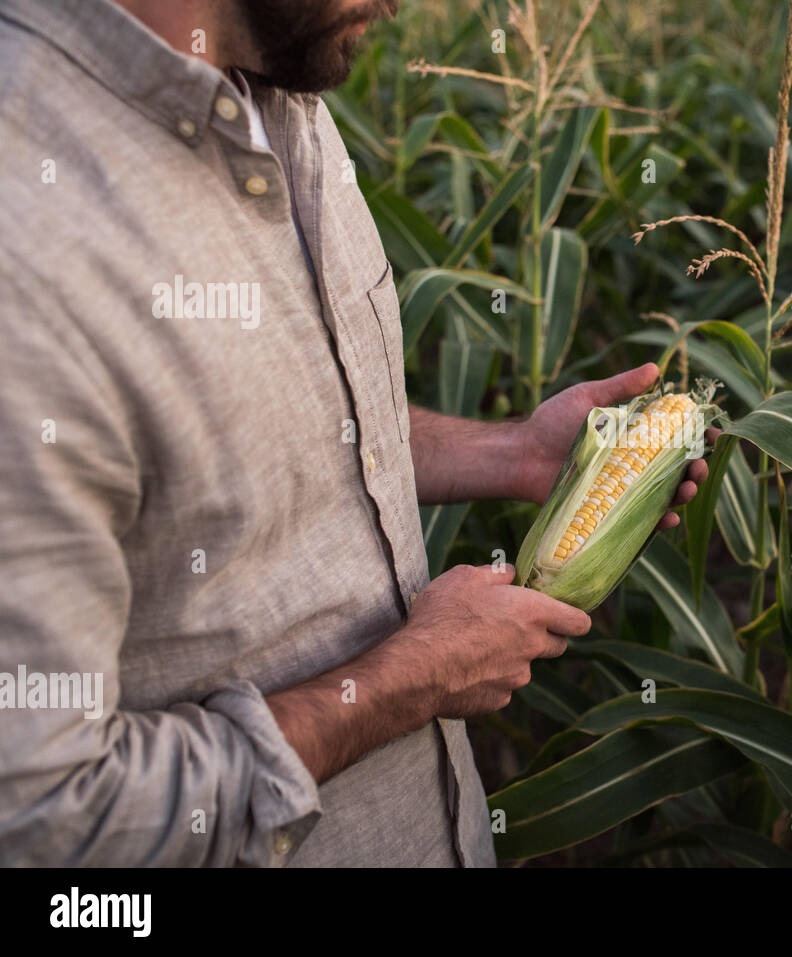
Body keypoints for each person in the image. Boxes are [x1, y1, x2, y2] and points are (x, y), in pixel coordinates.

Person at [0, 0, 707, 866]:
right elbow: (50, 819)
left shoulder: (283, 79)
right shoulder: (26, 250)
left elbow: (301, 431)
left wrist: (513, 452)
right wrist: (406, 681)